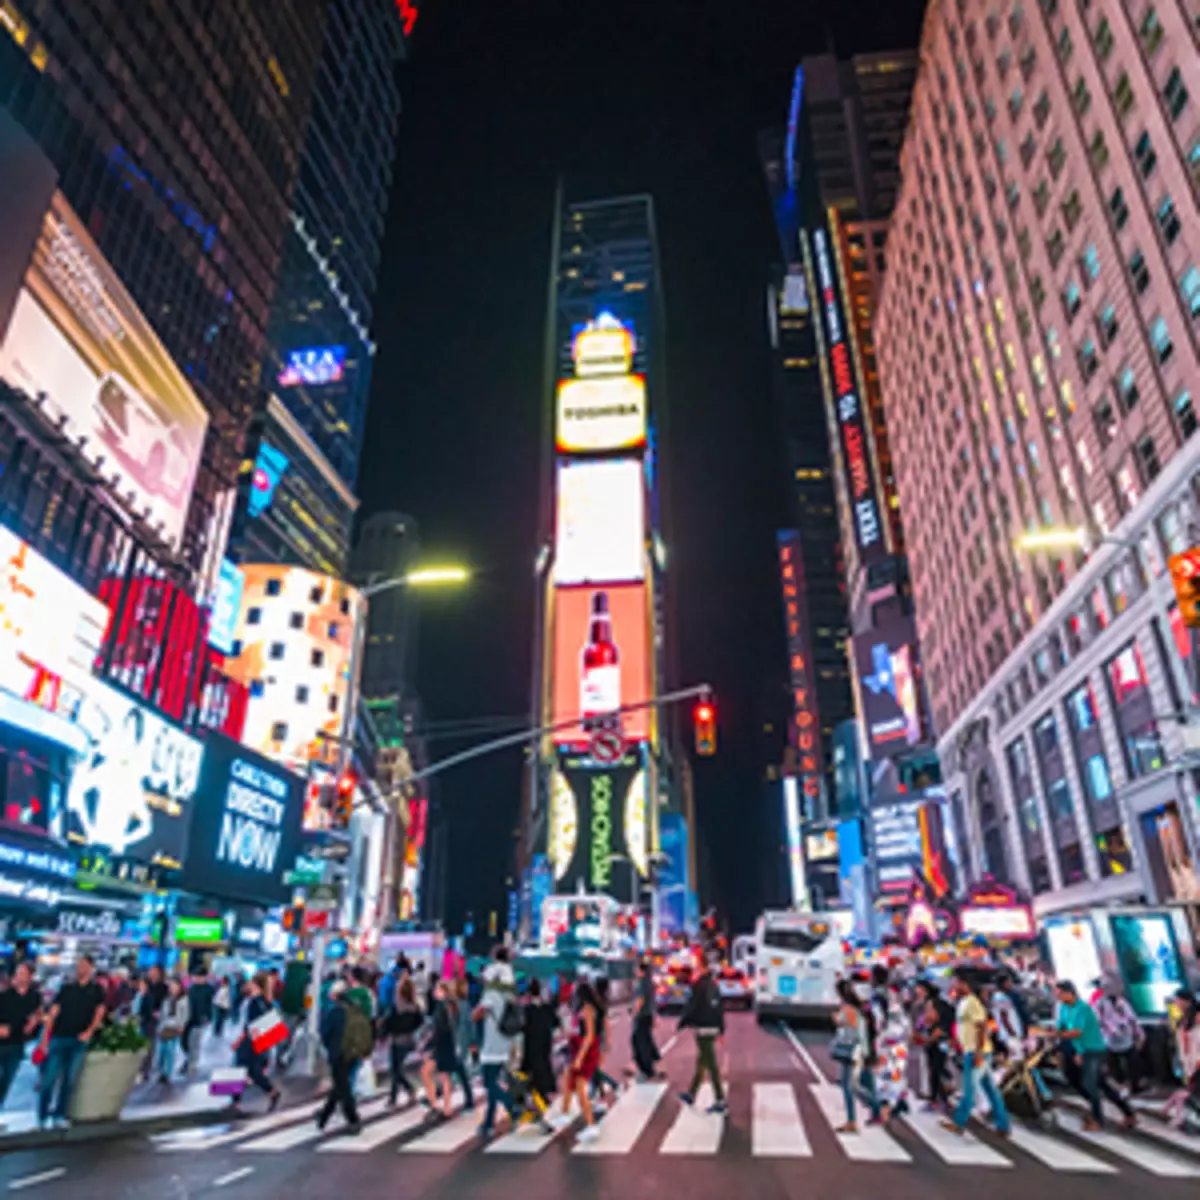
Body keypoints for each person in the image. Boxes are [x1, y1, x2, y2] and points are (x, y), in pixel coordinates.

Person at [1040, 979, 1135, 1131]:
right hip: (1078, 1049)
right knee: (1091, 1082)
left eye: (1058, 993)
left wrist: (1056, 1035)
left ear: (1068, 993)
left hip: (1093, 1049)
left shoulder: (1083, 1008)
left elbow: (1077, 1031)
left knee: (1091, 1083)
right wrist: (1051, 1035)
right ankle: (1125, 1112)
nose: (1056, 996)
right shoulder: (1063, 1007)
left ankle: (1098, 1119)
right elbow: (1060, 1026)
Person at [37, 955, 106, 1128]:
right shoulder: (66, 988)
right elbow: (53, 1013)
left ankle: (60, 1114)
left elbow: (99, 1013)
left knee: (69, 1079)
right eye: (79, 965)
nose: (80, 968)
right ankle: (43, 1115)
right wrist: (45, 1038)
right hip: (59, 1036)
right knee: (49, 1079)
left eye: (84, 965)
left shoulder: (97, 990)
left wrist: (89, 1032)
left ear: (91, 968)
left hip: (78, 1038)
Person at [940, 968, 1010, 1138]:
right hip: (972, 1050)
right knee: (991, 1090)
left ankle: (959, 1123)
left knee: (969, 1090)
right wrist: (956, 1042)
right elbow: (967, 1027)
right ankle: (1003, 1125)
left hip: (976, 1052)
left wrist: (978, 1052)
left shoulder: (972, 1002)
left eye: (956, 982)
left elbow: (981, 1027)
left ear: (964, 984)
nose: (953, 985)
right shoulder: (963, 1002)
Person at [474, 947, 520, 1140]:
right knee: (494, 1081)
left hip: (492, 1043)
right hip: (507, 1042)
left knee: (488, 1081)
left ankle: (511, 1105)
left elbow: (477, 1014)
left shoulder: (491, 994)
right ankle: (487, 1123)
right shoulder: (510, 993)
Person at [677, 957, 726, 1116]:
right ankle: (691, 1094)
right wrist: (721, 1029)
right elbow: (719, 1008)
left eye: (697, 966)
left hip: (702, 1028)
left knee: (709, 1063)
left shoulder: (698, 986)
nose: (695, 969)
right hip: (712, 1027)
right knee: (703, 1061)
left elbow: (692, 1006)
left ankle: (720, 1100)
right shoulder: (714, 985)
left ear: (702, 967)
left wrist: (682, 1022)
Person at [230, 973, 281, 1113]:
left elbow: (249, 1025)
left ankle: (235, 1103)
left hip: (251, 1041)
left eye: (252, 982)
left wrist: (239, 1040)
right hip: (259, 1042)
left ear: (256, 985)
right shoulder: (267, 1002)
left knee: (239, 1069)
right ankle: (272, 1093)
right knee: (253, 1071)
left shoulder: (255, 1002)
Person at [316, 983, 362, 1135]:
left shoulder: (334, 1012)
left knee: (343, 1086)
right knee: (341, 1084)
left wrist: (329, 1048)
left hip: (338, 1052)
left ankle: (353, 1119)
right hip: (354, 1052)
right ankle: (324, 1116)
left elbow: (325, 1033)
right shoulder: (356, 1010)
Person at [559, 975, 601, 1141]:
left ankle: (591, 1125)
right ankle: (565, 1112)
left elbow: (590, 1035)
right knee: (570, 1081)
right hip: (579, 1049)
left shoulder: (588, 1009)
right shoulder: (582, 1009)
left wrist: (580, 1057)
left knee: (580, 1087)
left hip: (586, 1051)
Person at [422, 980, 472, 1118]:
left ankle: (435, 1105)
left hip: (442, 1045)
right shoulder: (451, 1006)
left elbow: (440, 1029)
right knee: (444, 1076)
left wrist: (429, 1047)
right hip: (448, 1044)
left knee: (429, 1073)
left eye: (437, 990)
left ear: (443, 992)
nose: (435, 992)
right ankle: (445, 1108)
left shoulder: (443, 1007)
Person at [868, 964, 910, 1120]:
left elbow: (879, 1019)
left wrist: (877, 1035)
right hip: (900, 1037)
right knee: (896, 1072)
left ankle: (885, 1107)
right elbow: (903, 1016)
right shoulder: (893, 994)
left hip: (887, 1039)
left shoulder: (876, 996)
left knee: (880, 1074)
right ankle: (899, 1101)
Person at [0, 962, 42, 1118]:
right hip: (2, 1041)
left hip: (18, 1042)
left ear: (30, 977)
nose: (19, 977)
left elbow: (37, 1014)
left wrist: (34, 1022)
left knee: (8, 1078)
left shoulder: (34, 997)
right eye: (18, 973)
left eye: (23, 974)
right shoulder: (4, 996)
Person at [833, 978, 872, 1133]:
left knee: (849, 1087)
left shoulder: (848, 1009)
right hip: (858, 1049)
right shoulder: (857, 1007)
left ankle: (853, 1120)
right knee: (853, 1084)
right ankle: (874, 1108)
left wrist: (836, 1017)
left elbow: (845, 1024)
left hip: (850, 1049)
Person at [1094, 976, 1144, 1097]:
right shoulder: (1099, 1004)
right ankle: (1121, 1086)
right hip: (1110, 1040)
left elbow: (1132, 1018)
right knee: (1116, 1067)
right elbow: (1098, 1021)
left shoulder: (1122, 1002)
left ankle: (1135, 1085)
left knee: (1133, 1063)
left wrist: (1138, 1033)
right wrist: (1108, 1030)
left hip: (1126, 1037)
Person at [911, 978, 955, 1113]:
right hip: (944, 1040)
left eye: (918, 988)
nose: (915, 991)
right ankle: (943, 1100)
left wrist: (924, 1036)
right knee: (939, 1068)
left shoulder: (931, 1003)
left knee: (935, 1069)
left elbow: (927, 1019)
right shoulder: (942, 1003)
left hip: (936, 1040)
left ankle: (936, 1101)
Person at [520, 978, 558, 1117]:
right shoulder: (547, 1008)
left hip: (530, 1045)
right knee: (542, 1069)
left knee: (529, 1073)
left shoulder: (527, 1010)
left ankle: (538, 1102)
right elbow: (556, 1023)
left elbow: (521, 1027)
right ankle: (542, 1097)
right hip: (545, 1044)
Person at [385, 976, 424, 1107]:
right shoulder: (416, 1006)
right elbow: (420, 1022)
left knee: (395, 1070)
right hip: (409, 1039)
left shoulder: (397, 1006)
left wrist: (384, 1032)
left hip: (397, 1039)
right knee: (398, 1070)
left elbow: (390, 1022)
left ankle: (396, 1097)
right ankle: (405, 1092)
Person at [631, 957, 661, 1081]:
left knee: (639, 1042)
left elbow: (640, 999)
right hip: (647, 1015)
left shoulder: (642, 982)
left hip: (642, 1016)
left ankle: (646, 1070)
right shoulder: (650, 982)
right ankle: (652, 1065)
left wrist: (634, 1011)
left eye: (637, 969)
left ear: (641, 970)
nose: (635, 971)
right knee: (646, 1041)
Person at [136, 965, 168, 1081]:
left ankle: (145, 1070)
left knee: (149, 1046)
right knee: (140, 1045)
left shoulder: (163, 987)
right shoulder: (145, 985)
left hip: (154, 1020)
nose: (152, 973)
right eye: (151, 971)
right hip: (143, 1018)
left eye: (155, 971)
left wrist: (159, 1013)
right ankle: (139, 1069)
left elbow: (164, 1003)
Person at [155, 978, 190, 1083]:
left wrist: (182, 1025)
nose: (172, 988)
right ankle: (161, 1071)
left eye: (174, 986)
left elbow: (186, 1014)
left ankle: (167, 1073)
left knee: (170, 1050)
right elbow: (162, 1013)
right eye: (171, 986)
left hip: (175, 1027)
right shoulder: (167, 1000)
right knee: (162, 1051)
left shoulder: (184, 1000)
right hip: (165, 1027)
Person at [182, 967, 214, 1077]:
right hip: (187, 1018)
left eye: (198, 977)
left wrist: (208, 1018)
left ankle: (192, 1065)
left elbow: (210, 1005)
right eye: (194, 977)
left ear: (204, 978)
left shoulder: (209, 989)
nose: (195, 979)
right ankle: (188, 1059)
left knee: (195, 1043)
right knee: (184, 1042)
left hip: (199, 1020)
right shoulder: (191, 988)